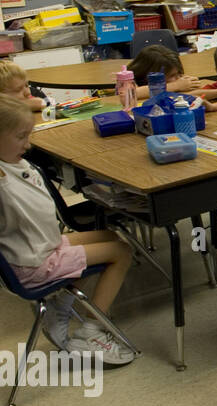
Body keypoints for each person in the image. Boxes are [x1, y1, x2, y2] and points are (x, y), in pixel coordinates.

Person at [0, 96, 133, 363]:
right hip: (35, 263)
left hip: (42, 246)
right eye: (21, 137)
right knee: (122, 252)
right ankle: (91, 330)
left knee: (109, 236)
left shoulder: (11, 162)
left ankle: (59, 306)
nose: (27, 145)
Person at [128, 46, 217, 104]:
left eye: (178, 74)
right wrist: (176, 85)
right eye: (172, 75)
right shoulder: (130, 79)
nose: (177, 78)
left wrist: (186, 82)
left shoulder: (173, 82)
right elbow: (131, 93)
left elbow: (190, 94)